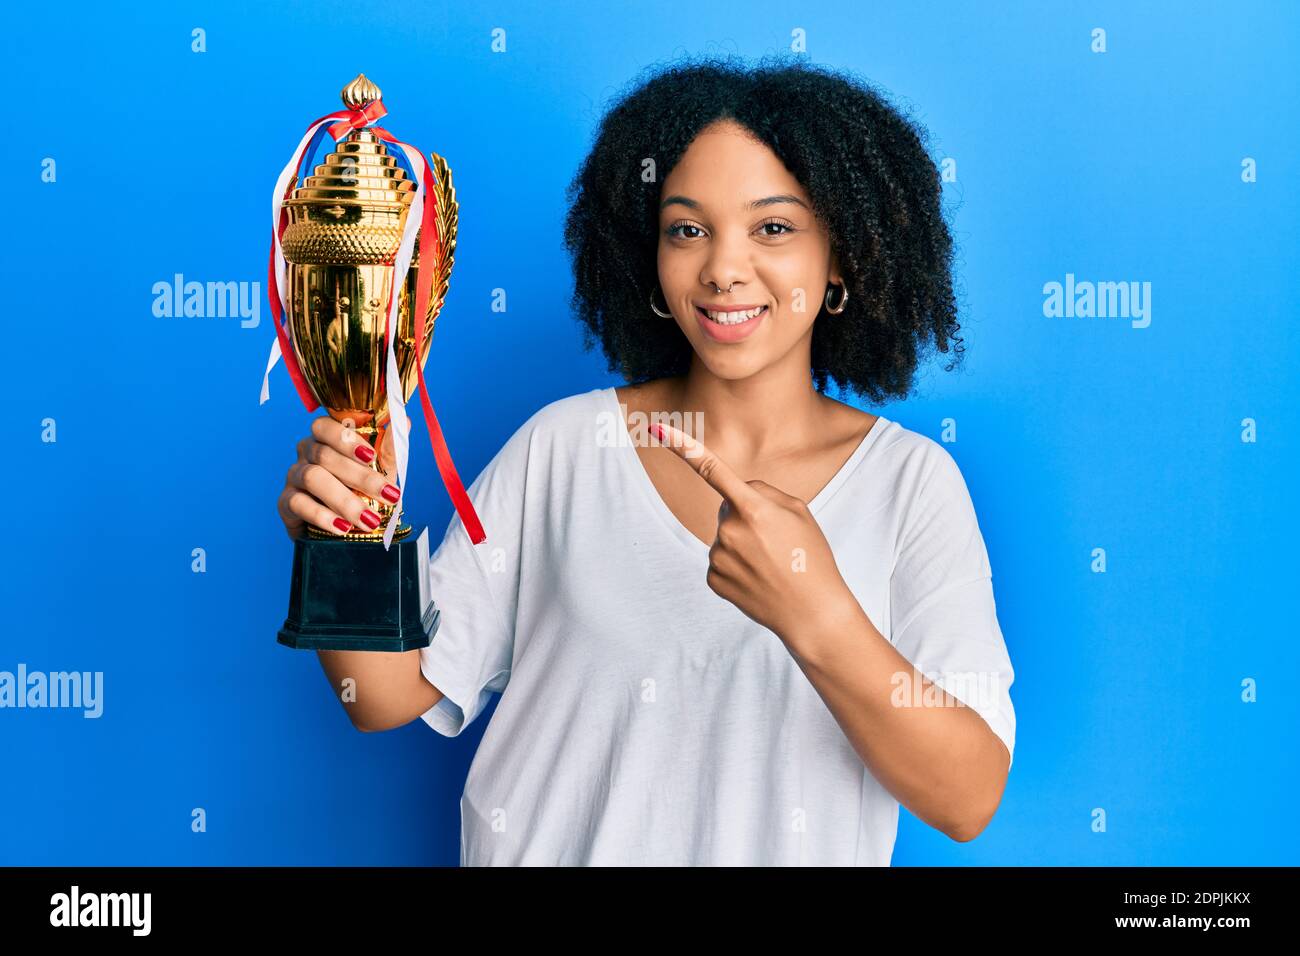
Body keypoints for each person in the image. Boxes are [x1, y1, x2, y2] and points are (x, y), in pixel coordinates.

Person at [276, 54, 1017, 866]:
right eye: (686, 229)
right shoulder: (562, 449)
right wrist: (339, 535)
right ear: (651, 263)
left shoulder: (910, 485)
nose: (724, 268)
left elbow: (967, 796)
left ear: (838, 258)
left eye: (773, 227)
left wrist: (817, 615)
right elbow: (383, 696)